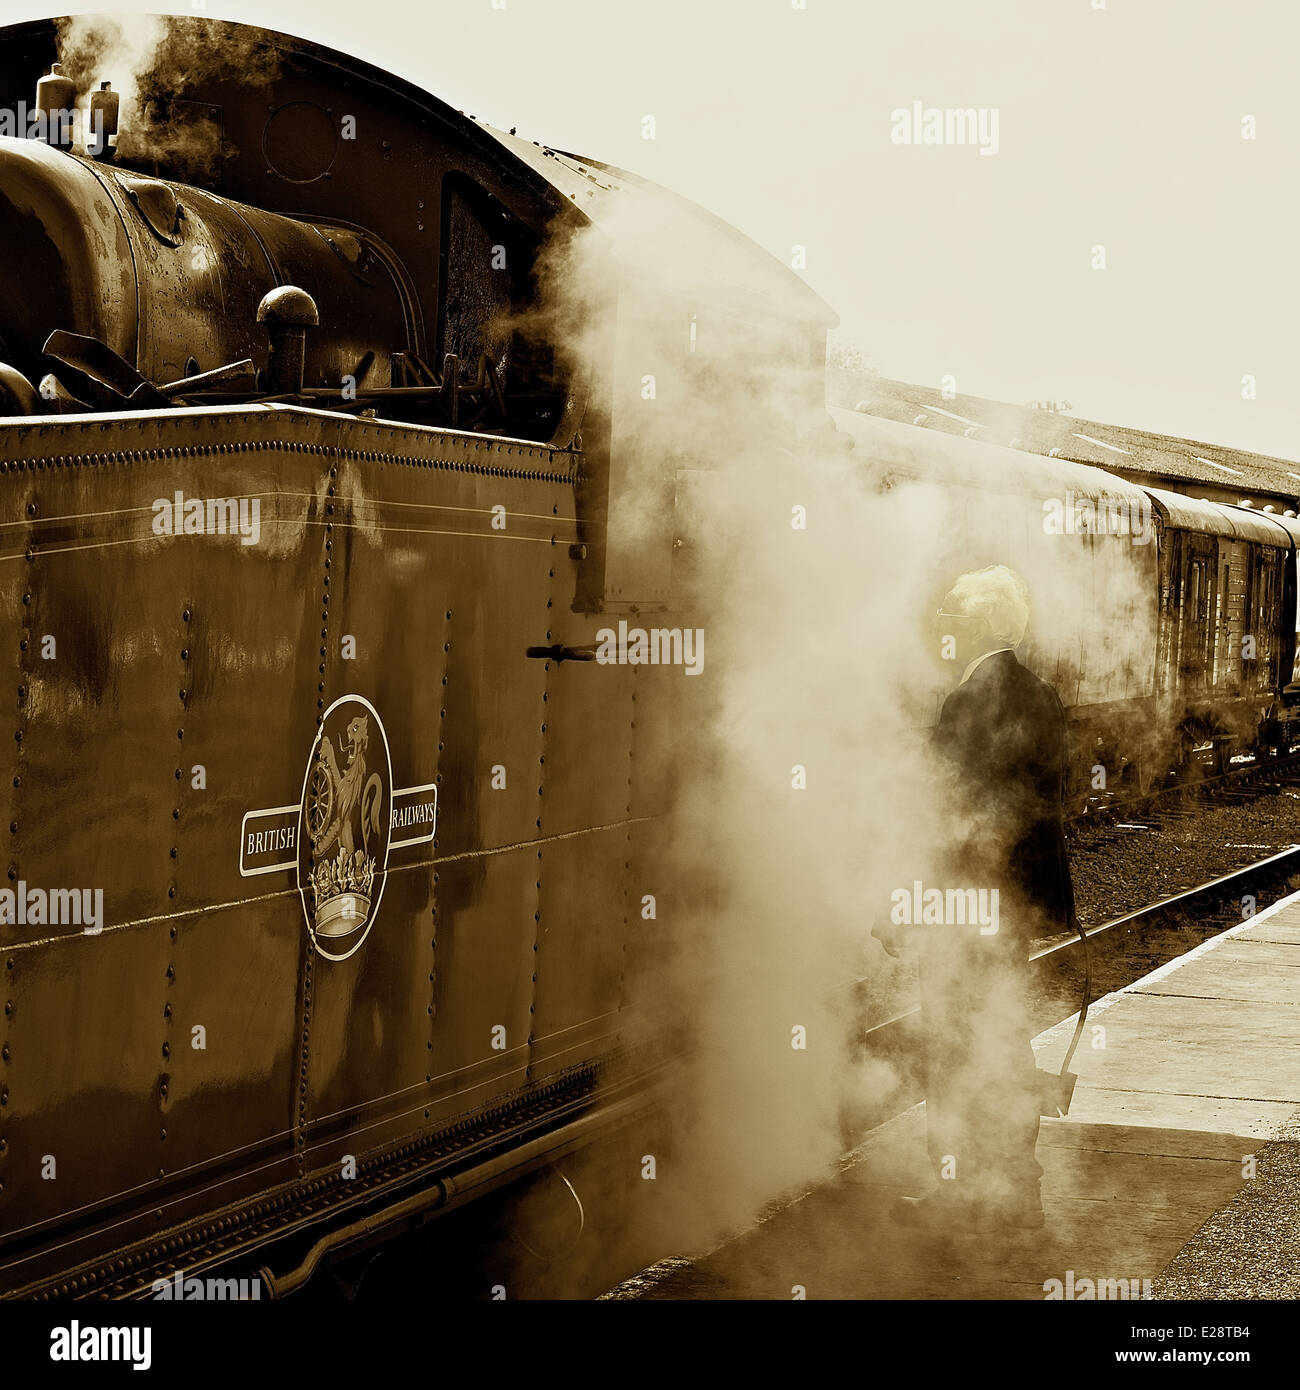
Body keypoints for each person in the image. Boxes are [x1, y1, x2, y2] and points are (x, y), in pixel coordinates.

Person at [882, 564, 1077, 1232]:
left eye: (957, 616)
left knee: (955, 1042)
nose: (947, 628)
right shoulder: (1043, 693)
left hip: (967, 905)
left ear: (985, 623)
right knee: (1001, 1036)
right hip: (1014, 905)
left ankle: (960, 1184)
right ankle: (1018, 1186)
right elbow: (1046, 806)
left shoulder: (971, 700)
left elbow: (946, 816)